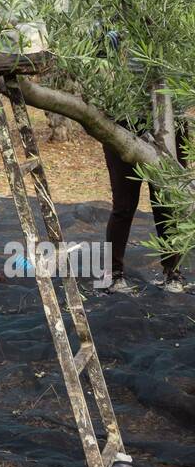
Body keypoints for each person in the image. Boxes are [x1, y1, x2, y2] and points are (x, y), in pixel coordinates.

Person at [95, 31, 192, 293]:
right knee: (124, 205)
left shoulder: (175, 23)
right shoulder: (116, 15)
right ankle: (113, 276)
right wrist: (104, 40)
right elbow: (92, 50)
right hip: (125, 123)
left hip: (171, 123)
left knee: (167, 202)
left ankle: (173, 274)